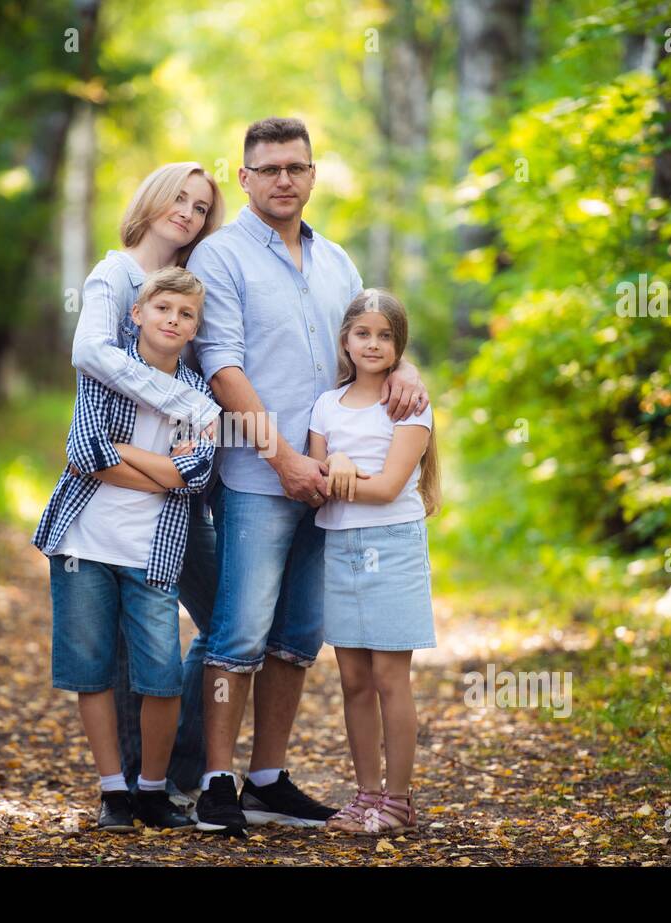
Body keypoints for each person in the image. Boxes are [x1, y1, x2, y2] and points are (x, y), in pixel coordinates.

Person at [186, 117, 431, 836]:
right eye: (268, 170)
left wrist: (407, 367)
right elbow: (221, 366)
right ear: (245, 178)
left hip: (333, 489)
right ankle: (215, 783)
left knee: (296, 637)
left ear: (313, 174)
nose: (283, 180)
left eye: (295, 167)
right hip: (259, 478)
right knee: (237, 634)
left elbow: (373, 338)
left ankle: (267, 778)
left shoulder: (338, 263)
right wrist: (283, 457)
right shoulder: (221, 257)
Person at [34, 267, 216, 832]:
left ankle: (153, 790)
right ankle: (113, 791)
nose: (173, 320)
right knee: (91, 672)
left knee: (160, 674)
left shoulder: (200, 396)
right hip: (82, 542)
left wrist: (127, 455)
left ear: (193, 330)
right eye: (163, 308)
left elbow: (198, 474)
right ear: (136, 314)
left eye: (186, 315)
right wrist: (166, 471)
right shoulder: (104, 371)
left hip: (154, 552)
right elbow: (85, 452)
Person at [68, 162, 225, 799]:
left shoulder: (194, 281)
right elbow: (90, 355)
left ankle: (174, 772)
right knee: (126, 648)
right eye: (178, 198)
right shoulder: (115, 273)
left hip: (178, 489)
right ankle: (130, 783)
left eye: (199, 206)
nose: (187, 212)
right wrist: (177, 403)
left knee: (225, 622)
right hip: (109, 490)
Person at [307, 288, 441, 834]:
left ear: (398, 345)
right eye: (363, 333)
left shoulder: (408, 403)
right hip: (340, 548)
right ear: (345, 340)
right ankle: (366, 797)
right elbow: (316, 485)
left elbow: (388, 488)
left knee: (390, 677)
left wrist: (340, 475)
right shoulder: (325, 406)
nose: (373, 343)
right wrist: (334, 463)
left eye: (386, 335)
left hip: (392, 547)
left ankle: (399, 801)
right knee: (354, 680)